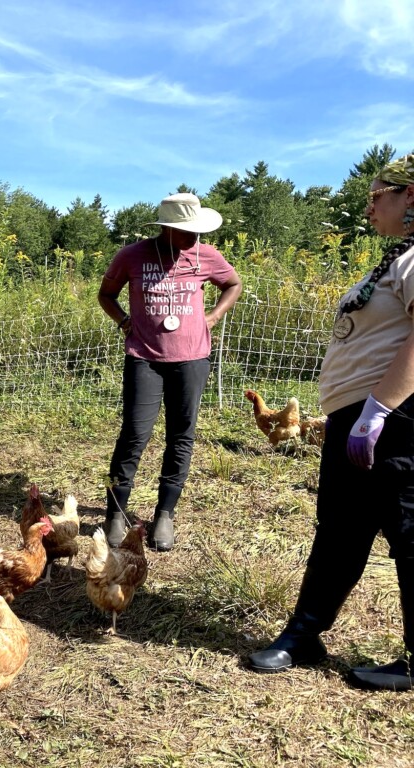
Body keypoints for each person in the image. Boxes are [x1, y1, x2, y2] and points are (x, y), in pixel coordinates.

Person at [249, 155, 414, 690]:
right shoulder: (397, 259)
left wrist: (379, 410)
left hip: (395, 417)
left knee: (409, 531)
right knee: (340, 527)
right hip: (359, 415)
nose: (367, 204)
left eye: (377, 194)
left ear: (410, 195)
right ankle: (304, 635)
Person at [98, 192, 241, 552]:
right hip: (144, 356)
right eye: (185, 230)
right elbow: (106, 294)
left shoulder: (205, 255)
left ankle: (165, 514)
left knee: (182, 435)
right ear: (165, 227)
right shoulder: (132, 256)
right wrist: (124, 322)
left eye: (197, 230)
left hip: (192, 358)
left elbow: (233, 284)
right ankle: (115, 512)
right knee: (134, 433)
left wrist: (213, 316)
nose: (194, 237)